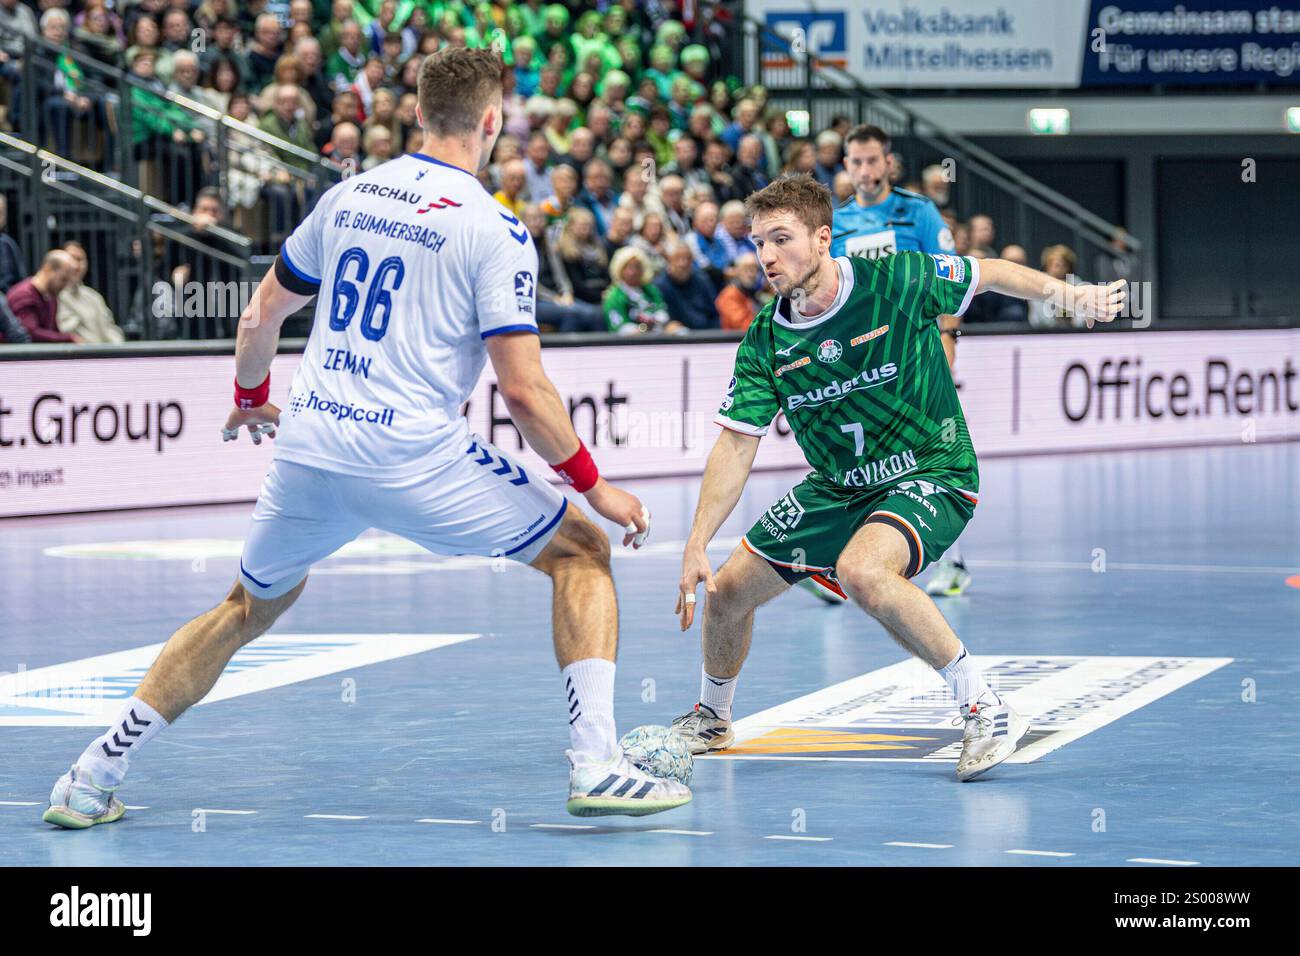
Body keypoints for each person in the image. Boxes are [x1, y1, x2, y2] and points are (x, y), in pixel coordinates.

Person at [41, 48, 689, 830]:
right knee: (581, 552)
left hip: (309, 444)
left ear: (417, 113)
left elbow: (260, 315)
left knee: (244, 606)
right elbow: (523, 392)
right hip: (409, 456)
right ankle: (596, 764)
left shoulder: (347, 196)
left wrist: (250, 398)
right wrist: (595, 485)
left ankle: (92, 772)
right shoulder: (495, 228)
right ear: (492, 121)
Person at [667, 175, 1126, 782]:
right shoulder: (766, 340)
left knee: (862, 571)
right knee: (726, 592)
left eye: (781, 239)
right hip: (838, 487)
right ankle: (712, 717)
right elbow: (735, 445)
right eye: (757, 243)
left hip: (931, 469)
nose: (766, 256)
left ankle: (986, 707)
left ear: (823, 238)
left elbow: (988, 272)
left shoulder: (896, 279)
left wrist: (1069, 295)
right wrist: (697, 541)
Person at [832, 124, 973, 598]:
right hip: (862, 364)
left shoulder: (919, 213)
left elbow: (953, 278)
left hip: (917, 357)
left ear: (888, 162)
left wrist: (949, 336)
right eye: (856, 162)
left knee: (931, 455)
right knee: (861, 460)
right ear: (846, 166)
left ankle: (952, 563)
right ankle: (838, 564)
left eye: (873, 160)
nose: (865, 169)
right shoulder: (838, 222)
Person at [57, 240, 124, 343]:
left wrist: (118, 347)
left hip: (103, 351)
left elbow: (110, 328)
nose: (76, 265)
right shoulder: (53, 297)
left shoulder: (94, 297)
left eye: (80, 260)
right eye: (72, 258)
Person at [7, 250, 78, 342]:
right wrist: (69, 339)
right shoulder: (23, 295)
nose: (65, 285)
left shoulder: (51, 297)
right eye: (63, 279)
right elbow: (30, 333)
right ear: (47, 269)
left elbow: (52, 332)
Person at [655, 241, 718, 331]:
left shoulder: (702, 280)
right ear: (669, 260)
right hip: (677, 336)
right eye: (678, 258)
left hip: (707, 333)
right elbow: (661, 317)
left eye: (687, 258)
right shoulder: (660, 285)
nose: (683, 263)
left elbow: (715, 312)